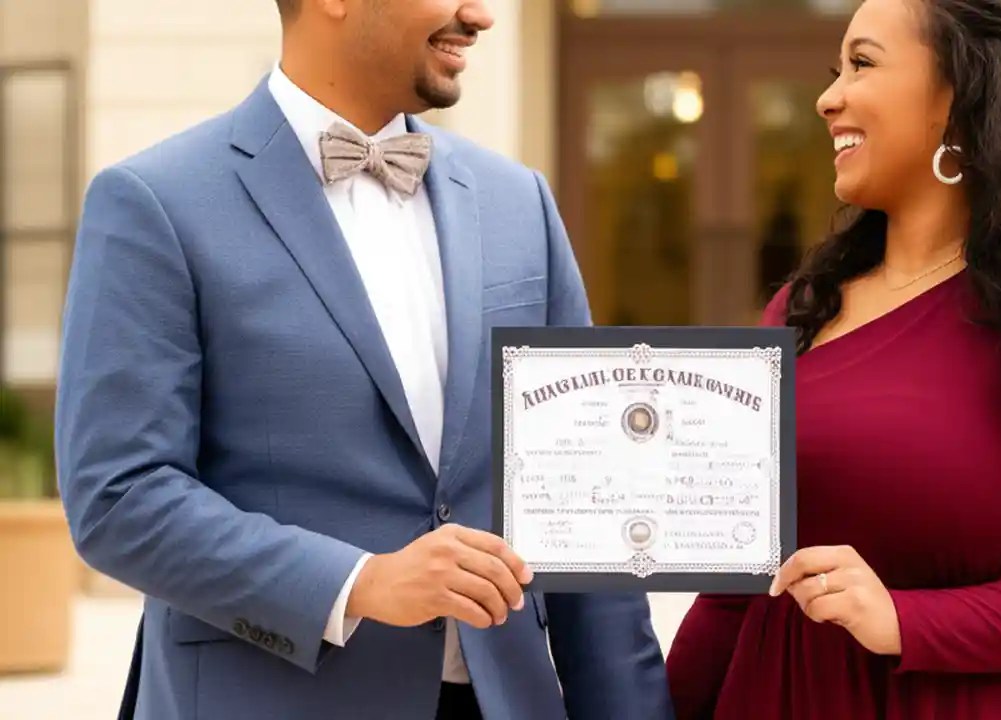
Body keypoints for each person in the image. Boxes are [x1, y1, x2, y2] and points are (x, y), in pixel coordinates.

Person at [55, 1, 672, 719]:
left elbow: (587, 498)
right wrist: (360, 583)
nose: (478, 15)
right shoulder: (154, 203)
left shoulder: (520, 202)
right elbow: (119, 497)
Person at [665, 0, 1001, 718]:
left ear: (961, 95)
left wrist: (907, 622)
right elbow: (729, 595)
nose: (828, 97)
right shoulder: (799, 310)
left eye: (862, 64)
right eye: (835, 68)